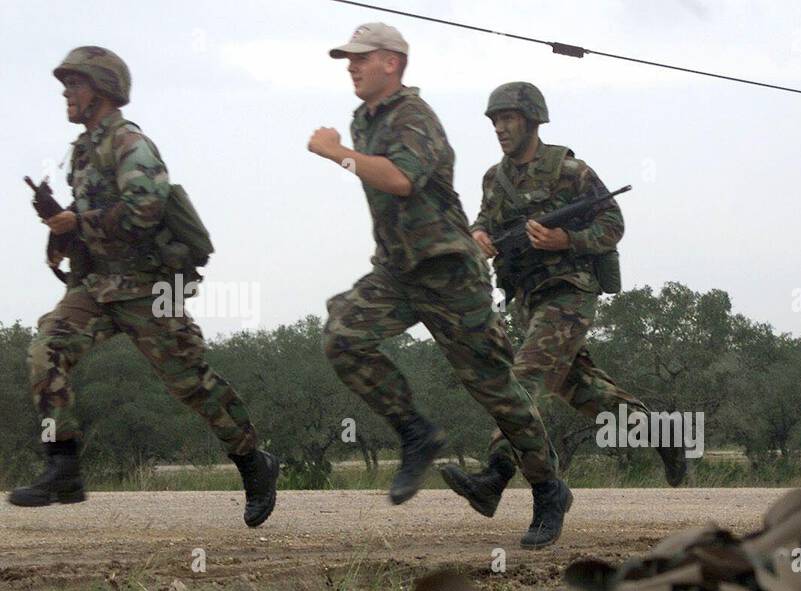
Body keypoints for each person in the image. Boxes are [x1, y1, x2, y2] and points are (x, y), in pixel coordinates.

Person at [313, 25, 571, 548]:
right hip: (398, 272)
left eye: (360, 58)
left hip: (451, 275)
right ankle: (416, 432)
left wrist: (337, 153)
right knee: (343, 337)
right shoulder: (364, 119)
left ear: (392, 62)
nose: (350, 66)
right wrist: (345, 148)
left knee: (496, 390)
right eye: (347, 59)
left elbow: (401, 179)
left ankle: (548, 489)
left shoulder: (414, 118)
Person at [10, 47, 277, 527]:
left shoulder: (131, 144)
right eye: (65, 85)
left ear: (103, 89)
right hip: (97, 286)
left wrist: (79, 220)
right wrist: (60, 228)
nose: (66, 93)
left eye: (75, 84)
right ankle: (63, 464)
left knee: (191, 382)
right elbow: (93, 218)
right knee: (44, 351)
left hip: (153, 285)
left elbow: (144, 210)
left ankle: (254, 463)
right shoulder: (83, 150)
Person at [439, 82, 686, 518]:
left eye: (508, 118)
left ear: (532, 120)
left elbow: (613, 223)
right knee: (583, 390)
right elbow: (484, 222)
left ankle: (497, 476)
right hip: (529, 301)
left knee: (523, 381)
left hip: (570, 293)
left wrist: (564, 239)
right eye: (494, 120)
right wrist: (478, 235)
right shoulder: (494, 180)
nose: (499, 127)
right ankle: (661, 432)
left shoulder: (570, 171)